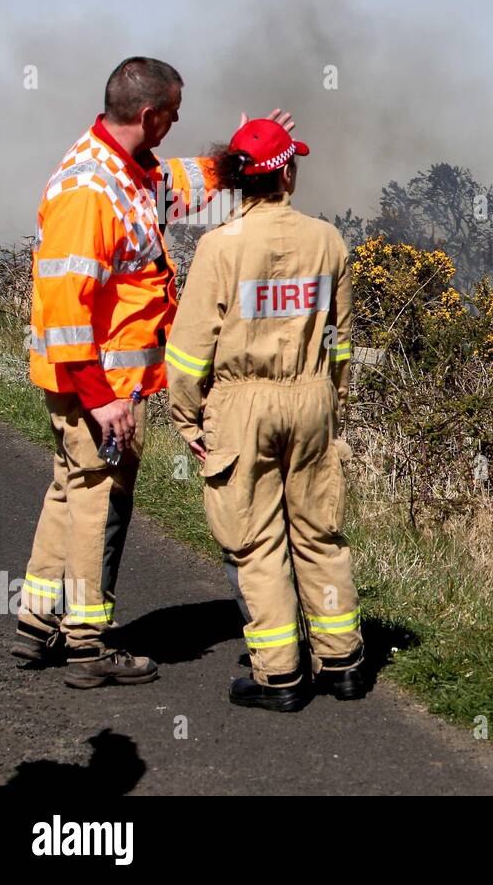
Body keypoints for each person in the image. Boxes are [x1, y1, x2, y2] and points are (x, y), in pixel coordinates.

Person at [14, 55, 293, 689]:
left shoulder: (126, 172)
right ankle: (88, 644)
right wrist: (100, 397)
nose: (176, 123)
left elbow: (180, 183)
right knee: (96, 499)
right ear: (148, 114)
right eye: (172, 114)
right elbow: (64, 308)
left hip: (106, 380)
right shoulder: (91, 190)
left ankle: (36, 621)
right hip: (99, 383)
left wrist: (239, 161)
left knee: (69, 485)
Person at [166, 118, 364, 712]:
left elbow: (187, 350)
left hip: (240, 404)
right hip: (312, 400)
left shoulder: (220, 246)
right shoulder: (329, 241)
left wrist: (188, 420)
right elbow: (341, 339)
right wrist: (332, 402)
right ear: (287, 175)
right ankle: (343, 661)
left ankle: (279, 674)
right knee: (319, 531)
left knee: (255, 541)